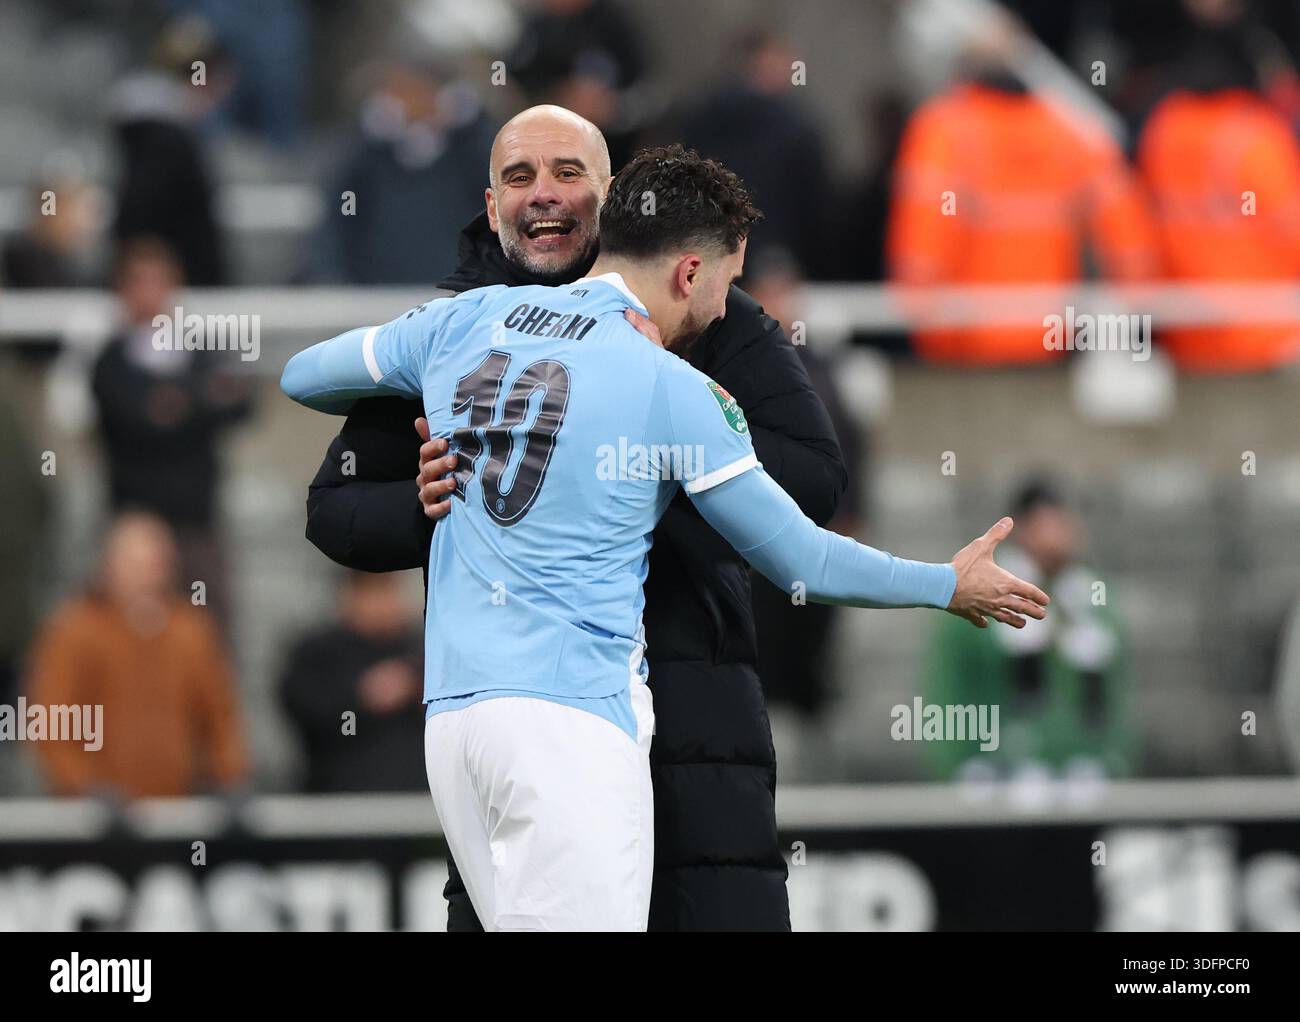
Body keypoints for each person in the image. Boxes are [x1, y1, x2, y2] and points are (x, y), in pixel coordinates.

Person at [282, 144, 1051, 930]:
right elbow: (798, 556)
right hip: (570, 727)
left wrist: (448, 419)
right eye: (726, 280)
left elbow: (304, 373)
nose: (724, 306)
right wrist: (943, 582)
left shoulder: (469, 319)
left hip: (456, 725)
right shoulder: (675, 389)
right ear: (690, 272)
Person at [305, 104, 846, 932]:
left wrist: (638, 480)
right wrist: (427, 505)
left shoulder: (700, 302)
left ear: (613, 194)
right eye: (519, 177)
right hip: (523, 739)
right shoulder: (455, 328)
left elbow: (814, 475)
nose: (543, 195)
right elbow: (335, 510)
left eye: (568, 173)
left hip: (697, 724)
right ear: (492, 207)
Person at [91, 238, 253, 631]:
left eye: (159, 281)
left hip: (196, 523)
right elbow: (140, 419)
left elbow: (240, 403)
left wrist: (182, 405)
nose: (150, 293)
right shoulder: (109, 361)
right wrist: (201, 402)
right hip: (134, 524)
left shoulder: (199, 351)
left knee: (208, 631)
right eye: (139, 282)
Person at [25, 513, 247, 799]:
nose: (147, 574)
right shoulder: (74, 631)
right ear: (108, 566)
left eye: (155, 564)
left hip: (177, 812)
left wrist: (228, 777)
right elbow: (51, 724)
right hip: (94, 821)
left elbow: (221, 718)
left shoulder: (190, 631)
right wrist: (83, 785)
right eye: (135, 564)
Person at [924, 479, 1131, 783]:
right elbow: (949, 684)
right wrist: (957, 764)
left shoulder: (1094, 602)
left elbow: (1117, 689)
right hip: (996, 768)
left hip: (1081, 770)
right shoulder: (980, 597)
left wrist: (1116, 758)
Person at [279, 571, 426, 793]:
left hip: (418, 800)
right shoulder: (318, 653)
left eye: (386, 590)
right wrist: (362, 698)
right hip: (340, 801)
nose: (380, 604)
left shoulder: (423, 648)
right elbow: (307, 717)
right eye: (369, 591)